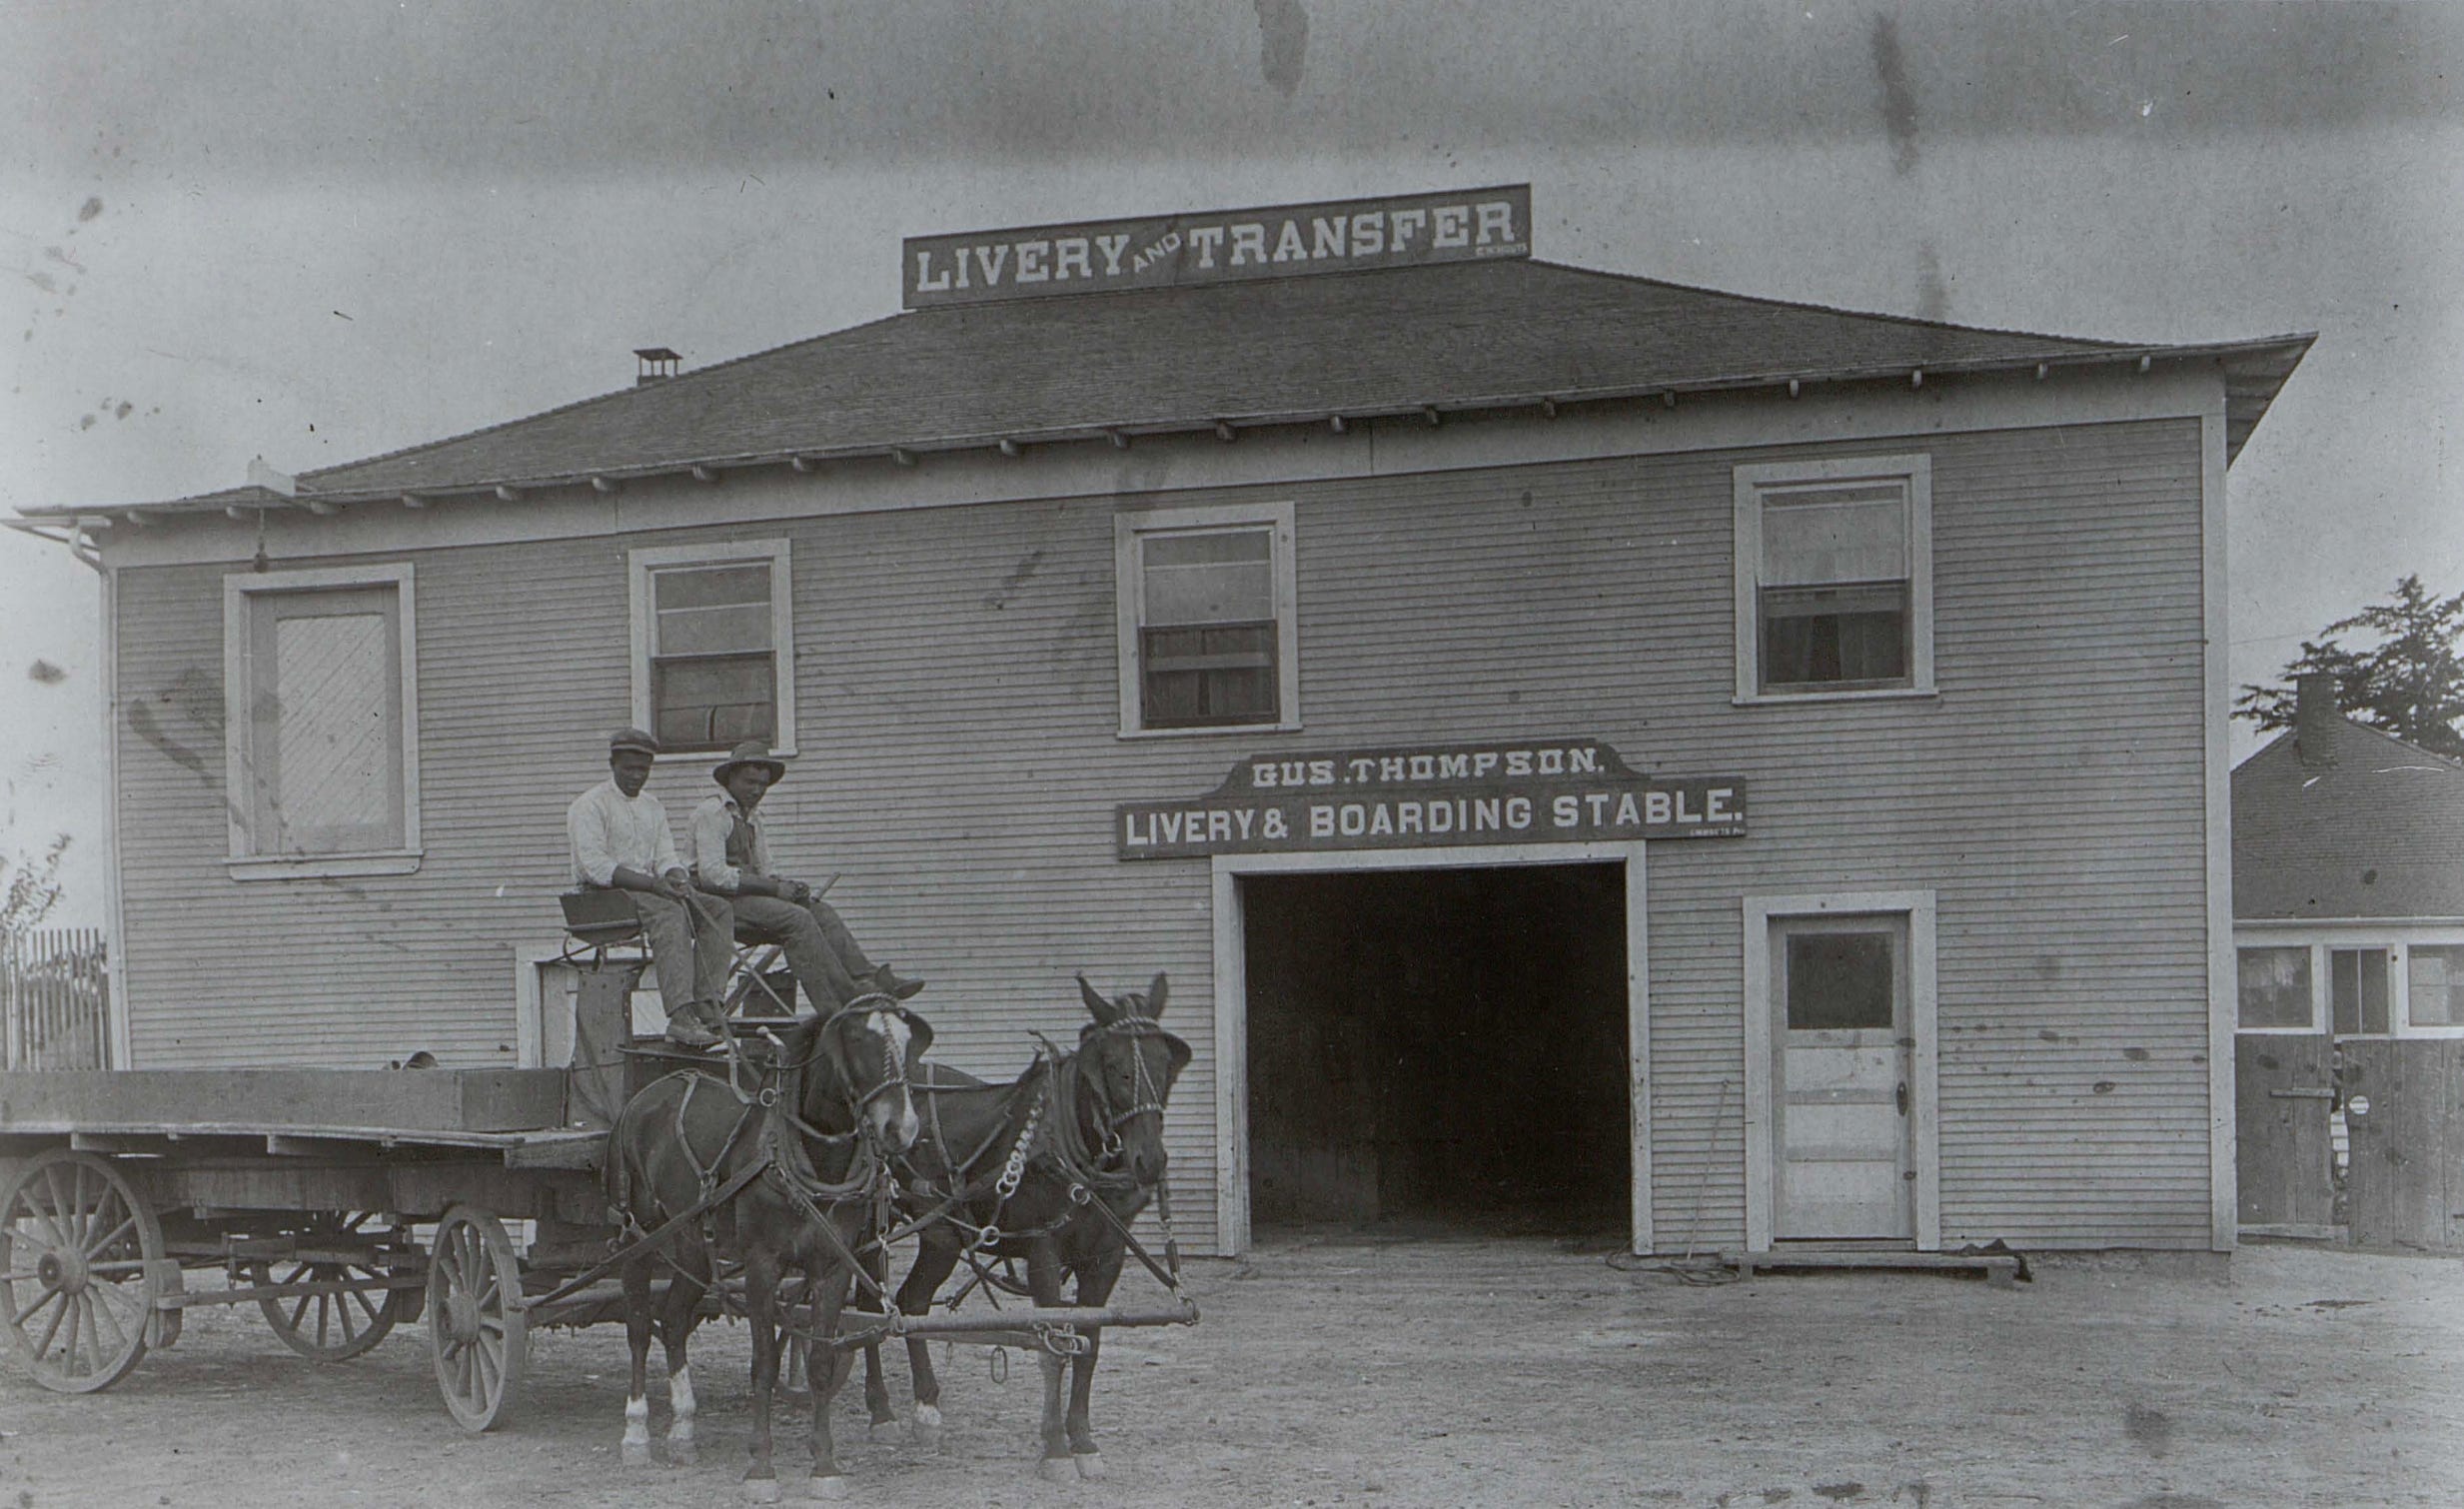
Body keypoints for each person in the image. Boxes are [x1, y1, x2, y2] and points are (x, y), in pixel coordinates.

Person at [688, 740, 923, 1015]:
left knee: (819, 910)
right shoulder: (712, 812)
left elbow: (764, 871)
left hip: (746, 901)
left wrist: (789, 886)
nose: (757, 790)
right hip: (714, 904)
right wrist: (774, 888)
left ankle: (868, 979)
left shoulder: (752, 818)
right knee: (797, 919)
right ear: (730, 778)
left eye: (763, 785)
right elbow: (712, 875)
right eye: (749, 782)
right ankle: (843, 1000)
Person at [568, 728, 733, 1048]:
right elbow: (596, 867)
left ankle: (708, 1005)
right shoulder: (589, 805)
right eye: (628, 768)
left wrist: (677, 876)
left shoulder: (653, 806)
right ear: (612, 764)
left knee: (717, 908)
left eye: (643, 769)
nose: (636, 776)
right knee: (669, 913)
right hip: (599, 895)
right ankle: (681, 1016)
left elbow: (665, 856)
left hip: (645, 890)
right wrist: (656, 885)